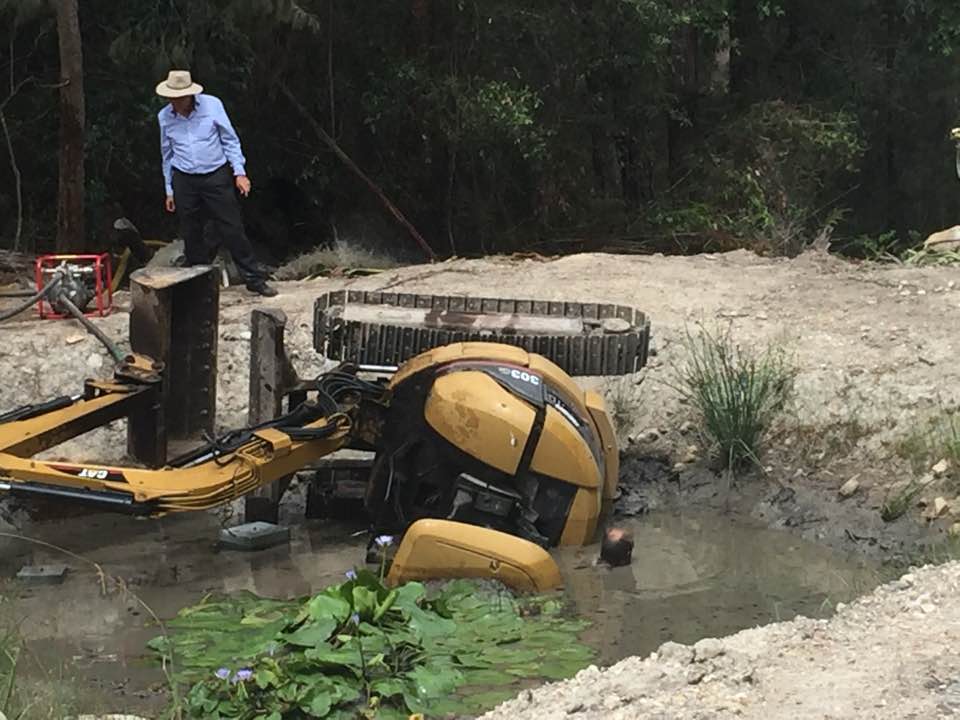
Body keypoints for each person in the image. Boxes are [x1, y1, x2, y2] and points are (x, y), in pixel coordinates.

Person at [155, 69, 277, 297]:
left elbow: (230, 140)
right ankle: (198, 283)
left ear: (189, 96)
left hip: (215, 173)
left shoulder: (212, 106)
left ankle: (253, 278)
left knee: (231, 227)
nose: (174, 102)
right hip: (184, 177)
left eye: (178, 97)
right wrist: (169, 189)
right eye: (171, 97)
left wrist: (239, 173)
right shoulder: (165, 117)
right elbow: (167, 154)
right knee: (191, 231)